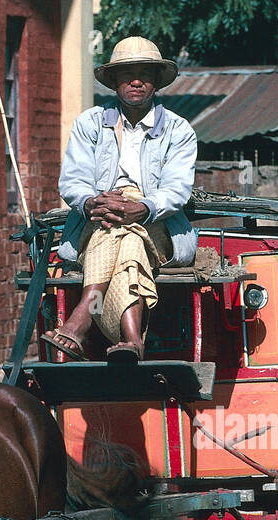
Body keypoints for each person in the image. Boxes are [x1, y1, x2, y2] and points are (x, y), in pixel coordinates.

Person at [43, 37, 198, 363]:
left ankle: (78, 322)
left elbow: (176, 190)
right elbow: (73, 181)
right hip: (98, 219)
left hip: (158, 222)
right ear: (114, 82)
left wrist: (140, 208)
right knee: (125, 240)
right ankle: (132, 340)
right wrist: (91, 203)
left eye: (145, 74)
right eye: (128, 74)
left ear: (156, 82)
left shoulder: (178, 130)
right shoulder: (90, 123)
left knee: (128, 233)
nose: (137, 81)